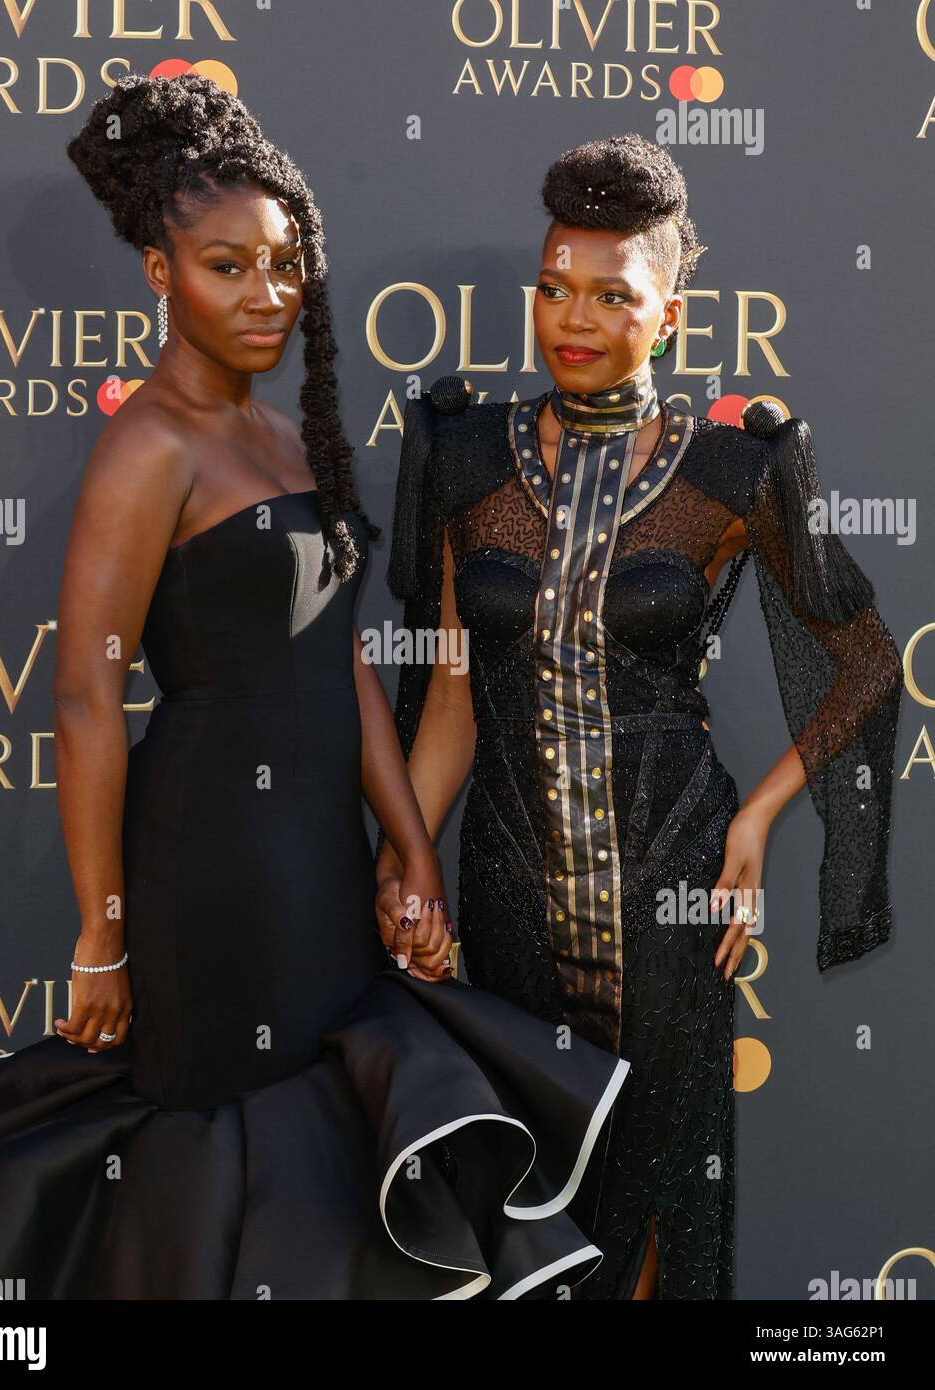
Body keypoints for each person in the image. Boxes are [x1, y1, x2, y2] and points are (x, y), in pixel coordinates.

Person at [0, 76, 631, 1302]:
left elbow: (337, 661)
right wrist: (100, 934)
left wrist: (407, 850)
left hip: (316, 858)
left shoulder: (290, 440)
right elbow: (85, 698)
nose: (267, 294)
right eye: (227, 265)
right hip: (206, 867)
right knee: (218, 1139)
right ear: (157, 273)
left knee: (318, 1157)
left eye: (286, 264)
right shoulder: (147, 447)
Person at [374, 133, 903, 1300]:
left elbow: (865, 664)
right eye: (554, 286)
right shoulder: (462, 456)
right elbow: (452, 693)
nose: (574, 315)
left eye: (612, 294)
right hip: (507, 890)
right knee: (528, 1203)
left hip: (672, 891)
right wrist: (403, 858)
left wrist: (760, 817)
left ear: (666, 312)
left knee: (661, 1191)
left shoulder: (736, 469)